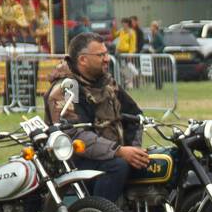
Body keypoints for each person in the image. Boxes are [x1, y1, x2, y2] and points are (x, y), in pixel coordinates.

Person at [44, 33, 149, 202]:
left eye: (107, 53)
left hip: (111, 155)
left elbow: (135, 117)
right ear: (83, 59)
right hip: (75, 163)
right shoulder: (67, 88)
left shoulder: (107, 83)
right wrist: (119, 152)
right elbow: (73, 134)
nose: (107, 59)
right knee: (117, 167)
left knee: (159, 162)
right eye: (101, 55)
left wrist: (134, 151)